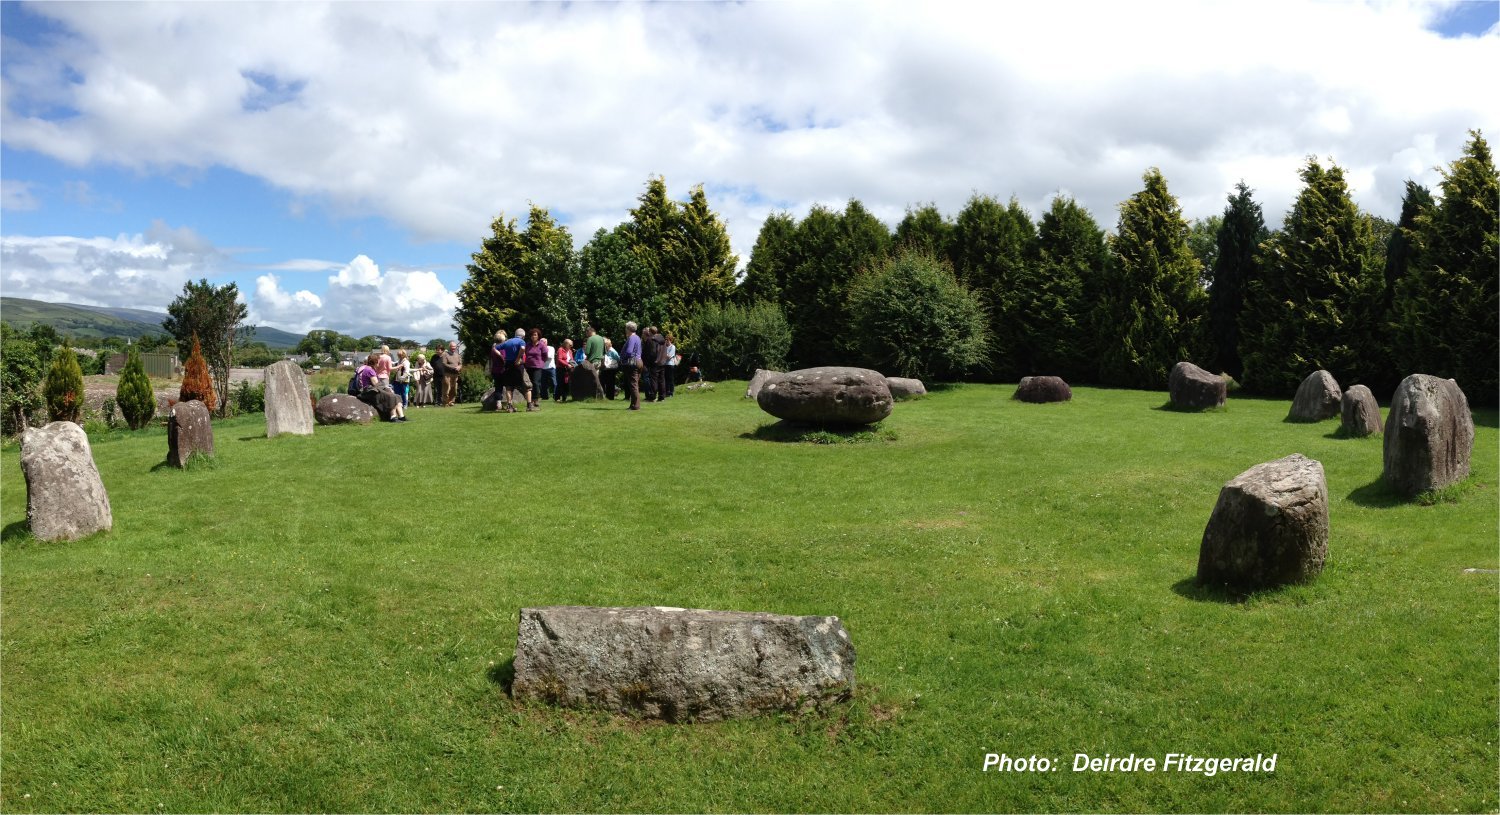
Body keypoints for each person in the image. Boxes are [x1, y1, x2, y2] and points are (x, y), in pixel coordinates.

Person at [356, 352, 404, 422]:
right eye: (378, 361)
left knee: (397, 396)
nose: (379, 363)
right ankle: (393, 417)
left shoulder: (369, 369)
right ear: (375, 362)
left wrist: (387, 388)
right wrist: (387, 388)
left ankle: (401, 416)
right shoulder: (369, 370)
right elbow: (376, 384)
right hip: (370, 391)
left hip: (373, 390)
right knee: (391, 397)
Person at [495, 328, 531, 412]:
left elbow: (495, 348)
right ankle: (529, 405)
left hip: (508, 365)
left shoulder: (507, 341)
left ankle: (510, 406)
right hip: (518, 366)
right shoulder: (521, 341)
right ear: (523, 336)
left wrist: (502, 357)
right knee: (526, 385)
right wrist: (518, 358)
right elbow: (522, 348)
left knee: (509, 387)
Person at [524, 328, 547, 411]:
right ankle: (530, 401)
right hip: (528, 366)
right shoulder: (528, 345)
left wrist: (541, 362)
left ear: (538, 336)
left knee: (536, 382)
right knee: (529, 384)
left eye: (535, 335)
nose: (533, 336)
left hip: (538, 367)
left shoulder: (542, 345)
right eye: (532, 335)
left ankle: (535, 399)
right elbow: (525, 353)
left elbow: (545, 355)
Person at [621, 321, 643, 410]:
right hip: (639, 360)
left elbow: (629, 351)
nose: (625, 330)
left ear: (629, 329)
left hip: (633, 361)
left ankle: (635, 405)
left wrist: (623, 358)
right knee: (635, 384)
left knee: (633, 384)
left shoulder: (631, 338)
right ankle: (633, 404)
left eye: (626, 328)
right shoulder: (638, 338)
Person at [646, 326, 668, 403]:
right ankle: (662, 397)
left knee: (654, 380)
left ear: (650, 332)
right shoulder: (662, 338)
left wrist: (648, 362)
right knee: (662, 380)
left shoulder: (651, 339)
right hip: (662, 362)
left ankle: (653, 397)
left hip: (655, 362)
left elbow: (651, 352)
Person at [439, 341, 462, 407]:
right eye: (452, 347)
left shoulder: (457, 354)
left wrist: (459, 367)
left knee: (454, 389)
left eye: (454, 347)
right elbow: (444, 363)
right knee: (446, 389)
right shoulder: (445, 354)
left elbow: (460, 363)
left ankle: (451, 401)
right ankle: (445, 402)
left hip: (455, 374)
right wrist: (454, 367)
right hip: (447, 374)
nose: (453, 348)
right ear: (449, 347)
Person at [663, 334, 678, 398]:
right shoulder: (664, 347)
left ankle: (671, 392)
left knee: (670, 379)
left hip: (670, 364)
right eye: (665, 339)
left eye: (667, 340)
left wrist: (664, 355)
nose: (666, 341)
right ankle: (667, 392)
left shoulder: (672, 347)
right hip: (665, 364)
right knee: (665, 379)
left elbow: (669, 357)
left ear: (670, 340)